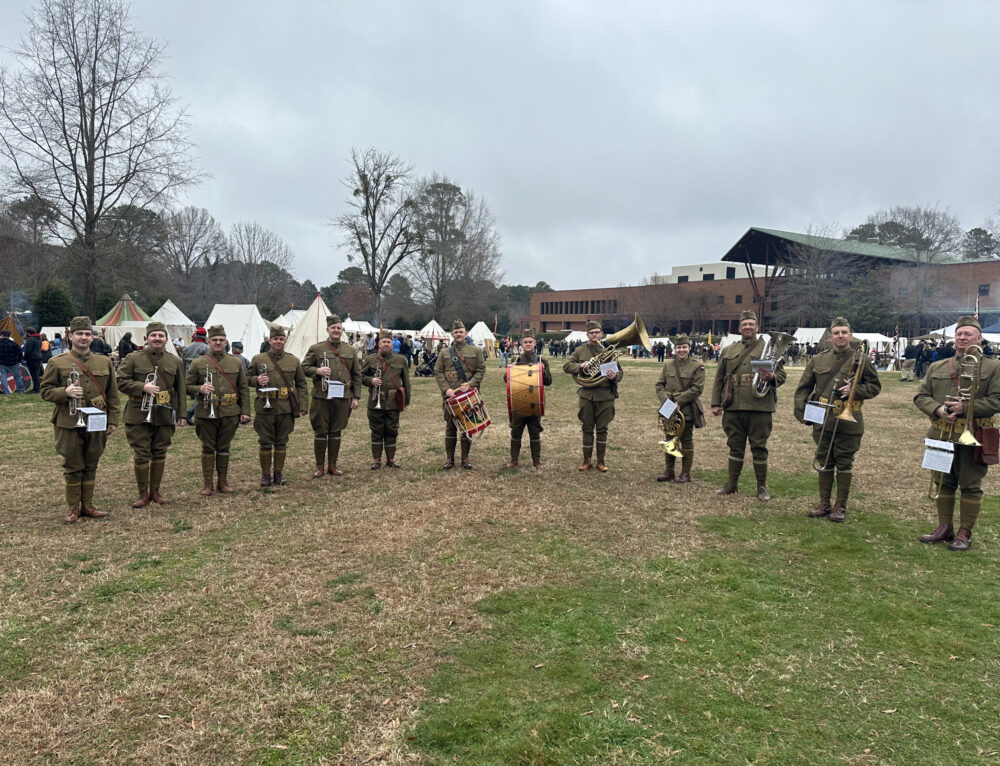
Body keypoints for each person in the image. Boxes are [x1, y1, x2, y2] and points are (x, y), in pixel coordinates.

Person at [914, 316, 1000, 550]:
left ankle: (964, 532)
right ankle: (944, 526)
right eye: (959, 334)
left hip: (975, 436)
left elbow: (997, 400)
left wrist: (967, 408)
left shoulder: (994, 367)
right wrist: (939, 409)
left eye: (968, 334)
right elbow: (921, 397)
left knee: (970, 484)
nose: (962, 338)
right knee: (942, 481)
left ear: (979, 338)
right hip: (941, 434)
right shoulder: (937, 366)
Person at [793, 317, 881, 522]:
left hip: (850, 419)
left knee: (844, 462)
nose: (840, 336)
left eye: (844, 332)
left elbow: (875, 387)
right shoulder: (818, 360)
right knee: (823, 459)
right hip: (822, 416)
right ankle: (824, 503)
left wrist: (855, 389)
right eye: (836, 332)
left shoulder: (862, 359)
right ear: (830, 336)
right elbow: (803, 388)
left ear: (850, 335)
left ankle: (840, 505)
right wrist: (802, 413)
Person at [40, 316, 120, 523]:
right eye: (79, 334)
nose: (84, 337)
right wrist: (64, 392)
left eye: (87, 334)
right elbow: (45, 391)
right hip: (68, 421)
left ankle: (88, 505)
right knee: (73, 464)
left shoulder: (104, 361)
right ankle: (73, 508)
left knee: (92, 461)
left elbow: (112, 394)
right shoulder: (56, 362)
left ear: (92, 336)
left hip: (97, 421)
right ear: (70, 336)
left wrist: (113, 419)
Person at [710, 310, 786, 500]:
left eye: (751, 324)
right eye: (744, 324)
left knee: (759, 447)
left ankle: (761, 487)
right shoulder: (728, 350)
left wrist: (772, 377)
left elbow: (782, 376)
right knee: (735, 446)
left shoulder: (769, 348)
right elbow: (719, 378)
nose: (748, 327)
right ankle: (731, 484)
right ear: (739, 328)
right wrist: (715, 403)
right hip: (733, 405)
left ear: (757, 327)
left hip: (759, 406)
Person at [116, 321, 187, 508]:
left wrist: (181, 414)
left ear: (165, 339)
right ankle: (142, 494)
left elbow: (180, 389)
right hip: (138, 413)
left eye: (161, 336)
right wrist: (142, 387)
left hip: (163, 414)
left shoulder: (174, 361)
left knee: (160, 452)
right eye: (153, 335)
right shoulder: (133, 358)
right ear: (146, 338)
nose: (157, 339)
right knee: (141, 454)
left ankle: (156, 491)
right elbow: (120, 381)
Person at [185, 325, 251, 495]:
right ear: (208, 342)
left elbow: (243, 388)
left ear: (226, 341)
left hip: (230, 412)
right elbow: (186, 386)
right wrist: (200, 389)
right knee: (207, 448)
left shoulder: (235, 362)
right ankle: (207, 484)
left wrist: (245, 412)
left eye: (221, 340)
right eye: (214, 340)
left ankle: (223, 481)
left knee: (224, 447)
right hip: (206, 411)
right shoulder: (198, 363)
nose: (218, 343)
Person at [302, 315, 362, 478]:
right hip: (322, 396)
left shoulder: (350, 350)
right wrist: (317, 371)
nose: (336, 330)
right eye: (333, 328)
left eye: (338, 328)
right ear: (327, 330)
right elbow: (304, 368)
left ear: (342, 330)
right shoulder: (316, 348)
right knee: (321, 431)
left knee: (336, 431)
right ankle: (319, 466)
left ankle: (333, 466)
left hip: (343, 396)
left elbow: (357, 374)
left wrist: (356, 397)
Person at [248, 327, 307, 487]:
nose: (278, 341)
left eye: (281, 338)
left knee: (282, 442)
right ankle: (265, 475)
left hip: (285, 408)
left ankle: (278, 474)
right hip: (264, 408)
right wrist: (256, 380)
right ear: (269, 340)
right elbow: (245, 378)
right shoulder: (258, 359)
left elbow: (301, 384)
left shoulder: (293, 361)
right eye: (275, 339)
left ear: (285, 340)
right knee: (265, 442)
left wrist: (303, 405)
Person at [562, 321, 621, 472]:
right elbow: (567, 366)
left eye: (597, 332)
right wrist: (580, 366)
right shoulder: (580, 350)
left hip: (606, 395)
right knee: (587, 428)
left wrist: (614, 375)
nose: (594, 335)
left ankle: (601, 461)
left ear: (602, 333)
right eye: (591, 333)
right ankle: (586, 460)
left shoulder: (609, 350)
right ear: (587, 335)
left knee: (602, 429)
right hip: (587, 395)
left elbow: (620, 373)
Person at [434, 320, 487, 469]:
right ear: (452, 334)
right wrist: (446, 389)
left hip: (468, 395)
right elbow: (438, 371)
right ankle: (449, 458)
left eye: (461, 332)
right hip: (450, 396)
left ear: (466, 333)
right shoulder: (444, 352)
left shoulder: (475, 351)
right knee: (450, 428)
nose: (458, 334)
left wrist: (470, 384)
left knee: (467, 427)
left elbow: (481, 370)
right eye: (456, 332)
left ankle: (465, 458)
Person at [654, 334, 704, 482]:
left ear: (689, 348)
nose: (681, 350)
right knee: (669, 437)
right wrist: (665, 402)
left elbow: (697, 389)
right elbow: (659, 385)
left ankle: (685, 473)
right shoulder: (668, 364)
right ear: (675, 349)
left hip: (687, 408)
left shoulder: (697, 366)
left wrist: (679, 401)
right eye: (679, 347)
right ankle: (669, 471)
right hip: (668, 406)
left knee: (686, 439)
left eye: (684, 347)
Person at [361, 329, 412, 469]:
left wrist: (406, 401)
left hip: (393, 402)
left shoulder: (400, 359)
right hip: (375, 401)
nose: (386, 344)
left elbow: (406, 381)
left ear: (392, 344)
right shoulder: (370, 359)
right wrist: (371, 380)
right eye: (383, 342)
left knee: (392, 430)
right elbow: (360, 376)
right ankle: (376, 460)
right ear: (379, 343)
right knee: (376, 431)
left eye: (388, 342)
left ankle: (391, 459)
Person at [504, 328, 551, 470]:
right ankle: (514, 460)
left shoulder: (543, 360)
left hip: (534, 402)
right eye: (525, 342)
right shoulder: (515, 360)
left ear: (535, 343)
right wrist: (509, 370)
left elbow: (548, 382)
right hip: (518, 403)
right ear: (521, 344)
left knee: (535, 433)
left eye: (530, 342)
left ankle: (536, 461)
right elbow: (506, 380)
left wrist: (542, 370)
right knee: (515, 433)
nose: (528, 344)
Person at [0, 329, 26, 394]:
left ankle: (6, 392)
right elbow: (20, 353)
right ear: (9, 335)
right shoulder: (14, 344)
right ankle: (21, 391)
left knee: (3, 377)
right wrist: (20, 361)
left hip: (2, 363)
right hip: (13, 363)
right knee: (17, 377)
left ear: (2, 335)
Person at [22, 327, 43, 393]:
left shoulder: (30, 339)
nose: (25, 334)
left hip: (32, 358)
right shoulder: (39, 339)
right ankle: (36, 388)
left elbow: (28, 350)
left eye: (25, 332)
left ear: (28, 333)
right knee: (36, 374)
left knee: (34, 374)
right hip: (38, 357)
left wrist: (24, 357)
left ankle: (36, 389)